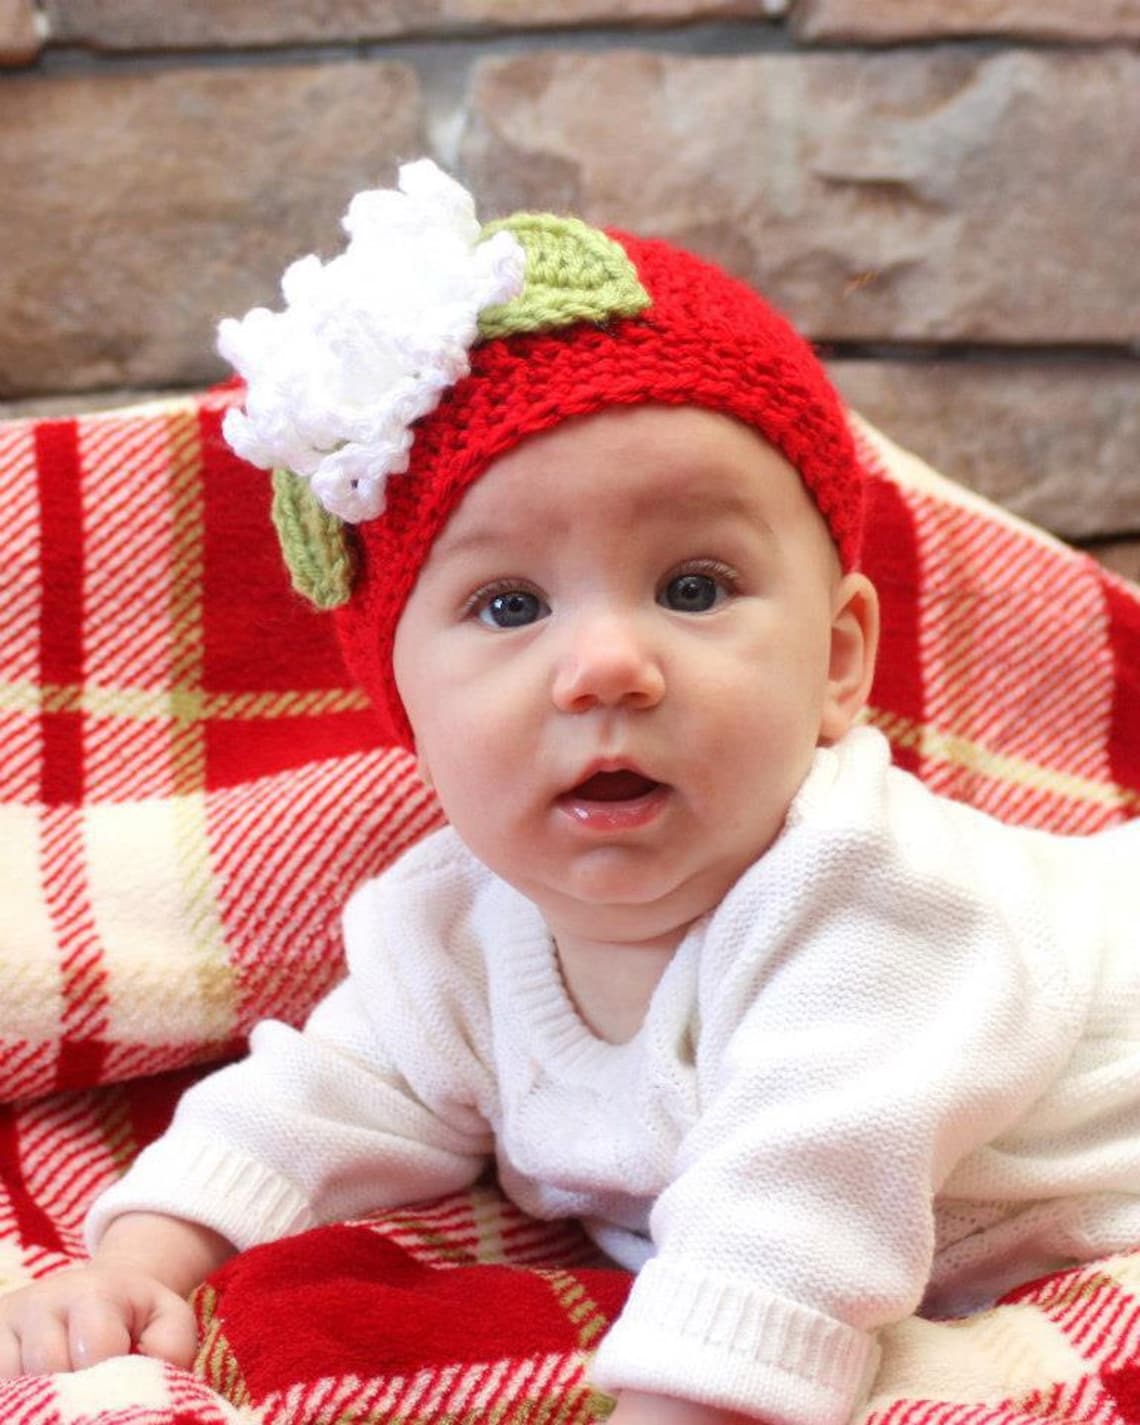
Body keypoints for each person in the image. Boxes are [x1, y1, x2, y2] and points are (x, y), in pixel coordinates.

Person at [1, 159, 1138, 1425]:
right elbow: (324, 1096)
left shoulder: (870, 906)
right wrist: (141, 1258)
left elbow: (794, 1219)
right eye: (510, 605)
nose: (606, 665)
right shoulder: (452, 928)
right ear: (405, 708)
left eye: (694, 587)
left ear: (836, 662)